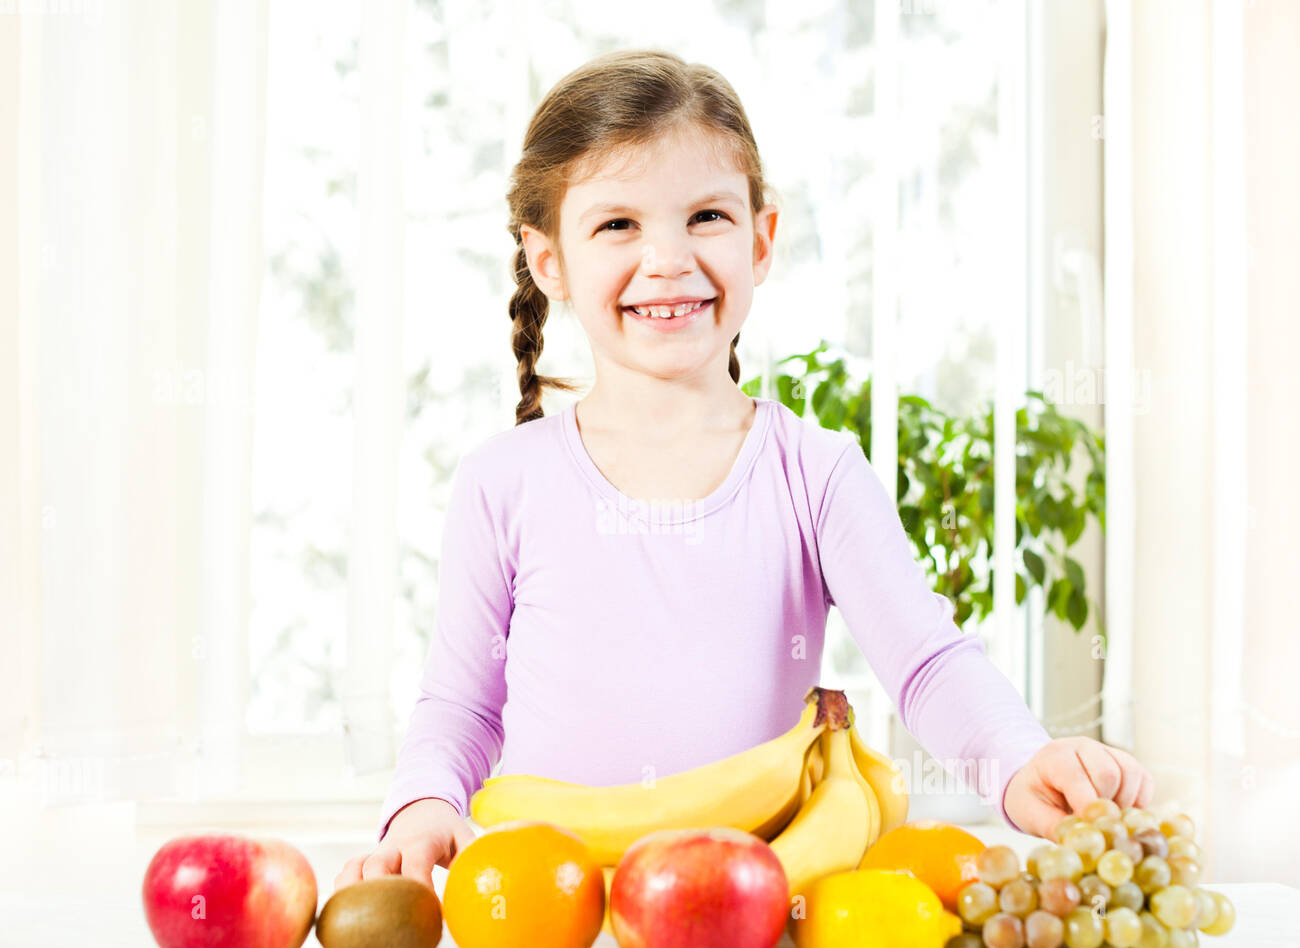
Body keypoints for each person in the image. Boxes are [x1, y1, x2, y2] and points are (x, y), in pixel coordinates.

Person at [336, 48, 1151, 892]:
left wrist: (1021, 759)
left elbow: (927, 661)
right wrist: (424, 800)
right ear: (550, 263)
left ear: (761, 240)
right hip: (555, 926)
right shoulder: (502, 484)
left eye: (706, 218)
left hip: (752, 914)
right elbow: (462, 706)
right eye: (618, 225)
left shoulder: (818, 472)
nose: (667, 259)